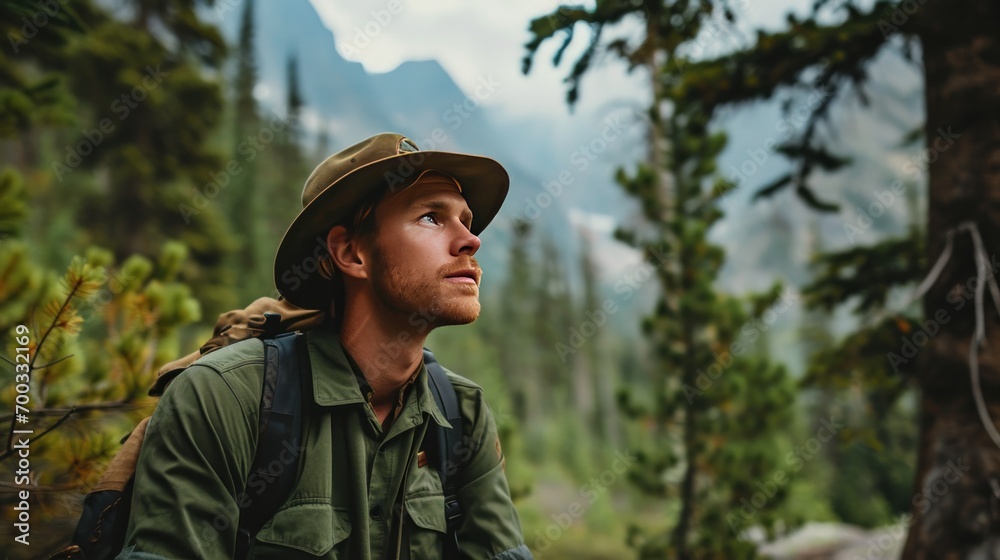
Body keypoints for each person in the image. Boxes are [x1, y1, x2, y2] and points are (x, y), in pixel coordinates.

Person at [116, 133, 532, 559]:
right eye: (431, 217)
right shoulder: (225, 398)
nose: (471, 240)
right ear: (351, 253)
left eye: (467, 220)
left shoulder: (461, 413)